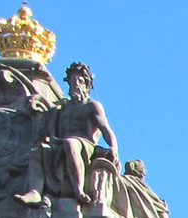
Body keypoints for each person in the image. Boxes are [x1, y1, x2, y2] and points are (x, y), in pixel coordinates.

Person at [15, 62, 117, 206]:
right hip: (61, 143)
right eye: (72, 81)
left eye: (80, 81)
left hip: (85, 145)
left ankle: (78, 190)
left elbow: (105, 128)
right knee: (37, 150)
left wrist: (113, 147)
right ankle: (35, 192)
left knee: (71, 143)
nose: (76, 85)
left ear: (87, 85)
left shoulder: (92, 106)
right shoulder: (64, 107)